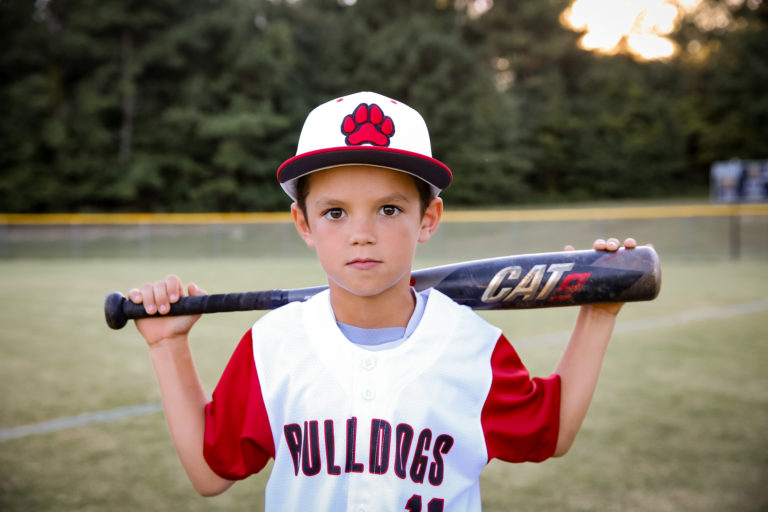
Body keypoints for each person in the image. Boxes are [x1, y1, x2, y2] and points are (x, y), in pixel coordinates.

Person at [128, 91, 638, 511]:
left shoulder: (470, 347)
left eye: (389, 208)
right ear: (303, 223)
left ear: (429, 219)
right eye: (335, 213)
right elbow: (209, 474)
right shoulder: (272, 346)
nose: (362, 234)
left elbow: (551, 433)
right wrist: (167, 346)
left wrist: (598, 313)